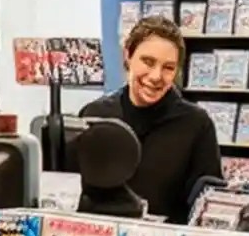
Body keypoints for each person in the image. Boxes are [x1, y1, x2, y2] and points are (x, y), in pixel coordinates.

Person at [79, 15, 222, 224]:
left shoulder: (196, 124)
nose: (156, 76)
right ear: (128, 55)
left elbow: (209, 205)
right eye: (148, 61)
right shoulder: (94, 115)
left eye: (168, 67)